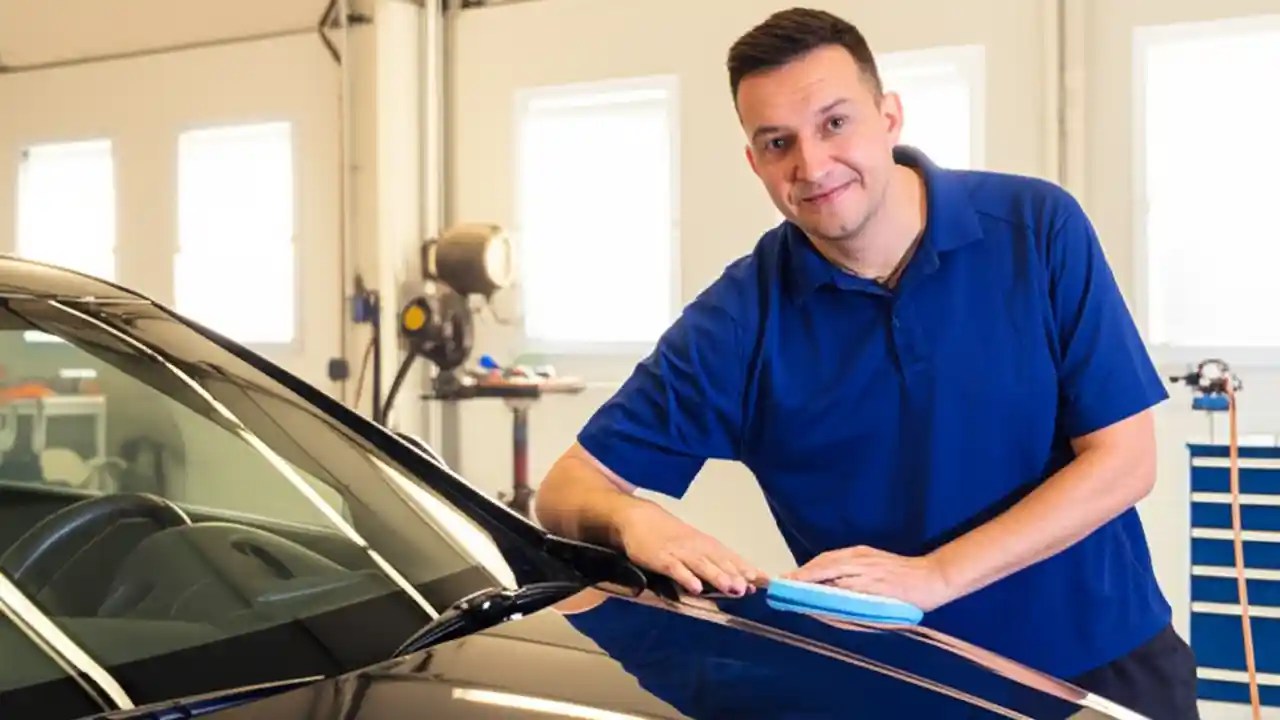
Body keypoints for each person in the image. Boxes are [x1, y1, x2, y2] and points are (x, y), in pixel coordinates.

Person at [534, 7, 1198, 718]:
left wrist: (933, 577)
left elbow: (1125, 462)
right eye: (778, 141)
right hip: (903, 689)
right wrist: (639, 524)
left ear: (889, 116)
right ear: (753, 161)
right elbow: (567, 490)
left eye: (835, 123)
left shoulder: (1036, 228)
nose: (813, 165)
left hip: (1103, 670)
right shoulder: (739, 320)